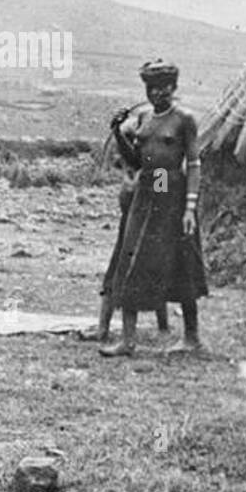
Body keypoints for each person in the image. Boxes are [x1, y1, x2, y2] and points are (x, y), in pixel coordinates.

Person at [100, 59, 208, 357]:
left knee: (180, 262)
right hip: (146, 194)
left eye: (164, 88)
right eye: (151, 88)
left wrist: (189, 208)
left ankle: (191, 337)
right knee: (130, 259)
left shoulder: (184, 119)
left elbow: (194, 163)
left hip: (170, 193)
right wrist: (119, 133)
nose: (157, 94)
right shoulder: (144, 118)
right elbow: (135, 161)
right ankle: (128, 340)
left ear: (174, 88)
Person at [78, 127, 170, 342]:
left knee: (150, 277)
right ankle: (104, 328)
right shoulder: (135, 169)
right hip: (127, 229)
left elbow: (162, 200)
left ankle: (162, 327)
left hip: (147, 230)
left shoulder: (159, 169)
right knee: (114, 277)